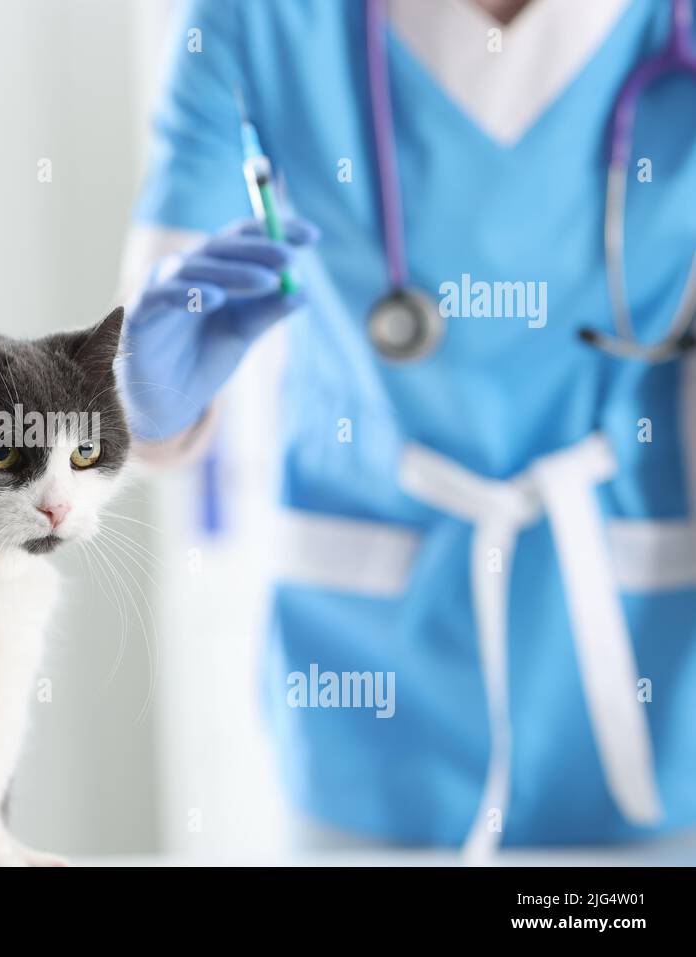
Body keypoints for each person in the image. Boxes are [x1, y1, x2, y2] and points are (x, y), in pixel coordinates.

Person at [121, 0, 696, 852]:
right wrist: (146, 401)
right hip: (360, 669)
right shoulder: (255, 20)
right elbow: (144, 330)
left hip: (648, 648)